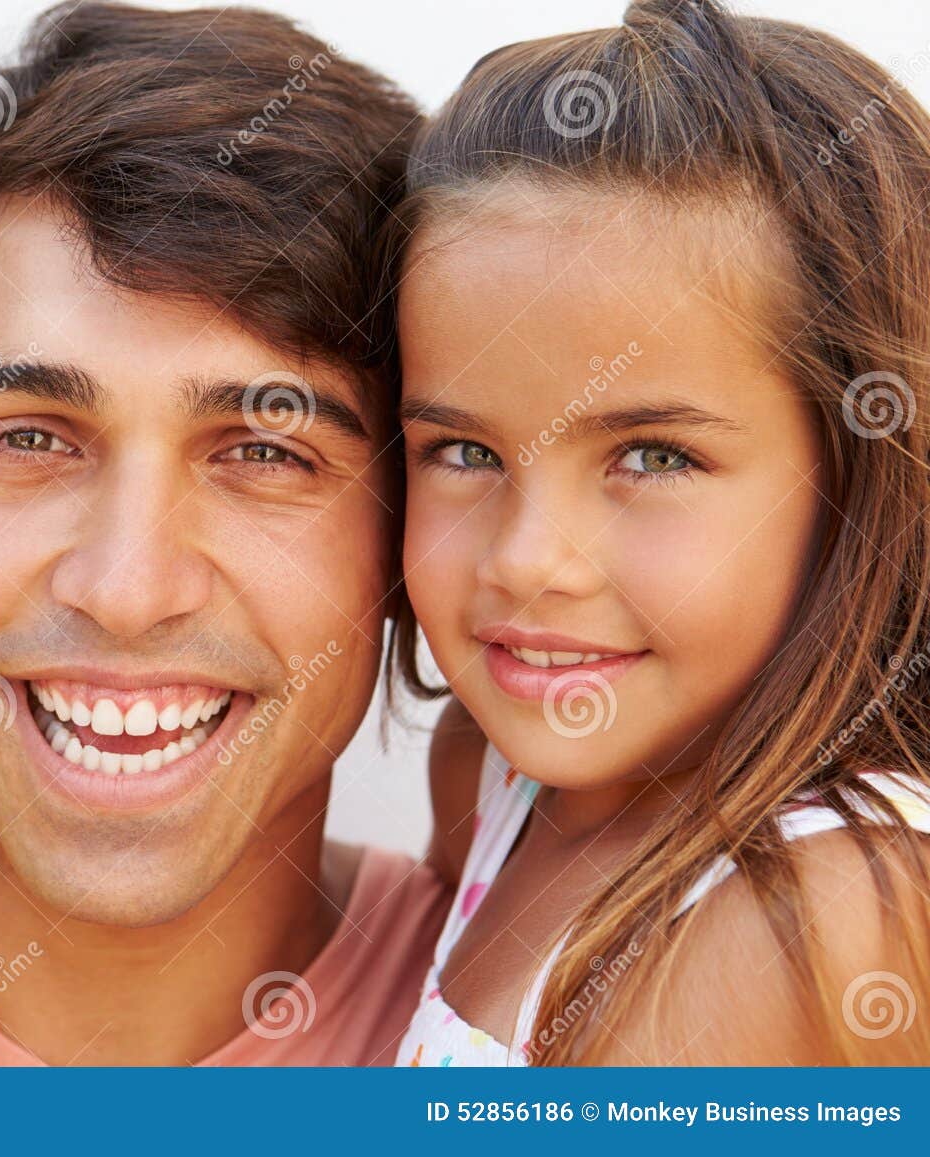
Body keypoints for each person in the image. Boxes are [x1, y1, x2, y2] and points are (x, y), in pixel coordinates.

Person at [0, 1, 452, 1066]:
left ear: (407, 546)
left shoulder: (565, 1037)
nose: (126, 585)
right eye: (28, 438)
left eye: (265, 453)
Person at [394, 0, 930, 1065]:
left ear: (855, 473)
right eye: (464, 452)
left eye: (652, 456)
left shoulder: (815, 915)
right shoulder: (491, 779)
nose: (525, 560)